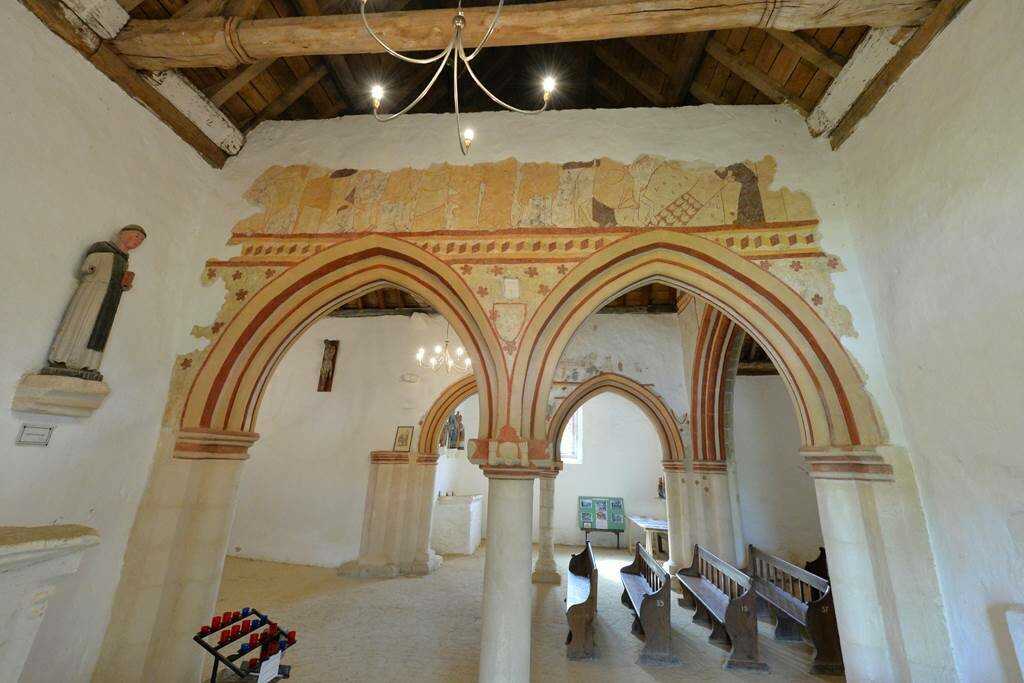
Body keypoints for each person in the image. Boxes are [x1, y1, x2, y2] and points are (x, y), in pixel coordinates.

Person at [45, 225, 146, 380]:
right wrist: (90, 268)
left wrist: (125, 285)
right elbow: (87, 267)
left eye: (141, 240)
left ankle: (88, 364)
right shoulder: (102, 248)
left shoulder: (124, 259)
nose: (138, 241)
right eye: (136, 236)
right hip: (94, 292)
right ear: (123, 234)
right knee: (81, 323)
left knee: (99, 331)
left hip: (111, 298)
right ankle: (61, 358)